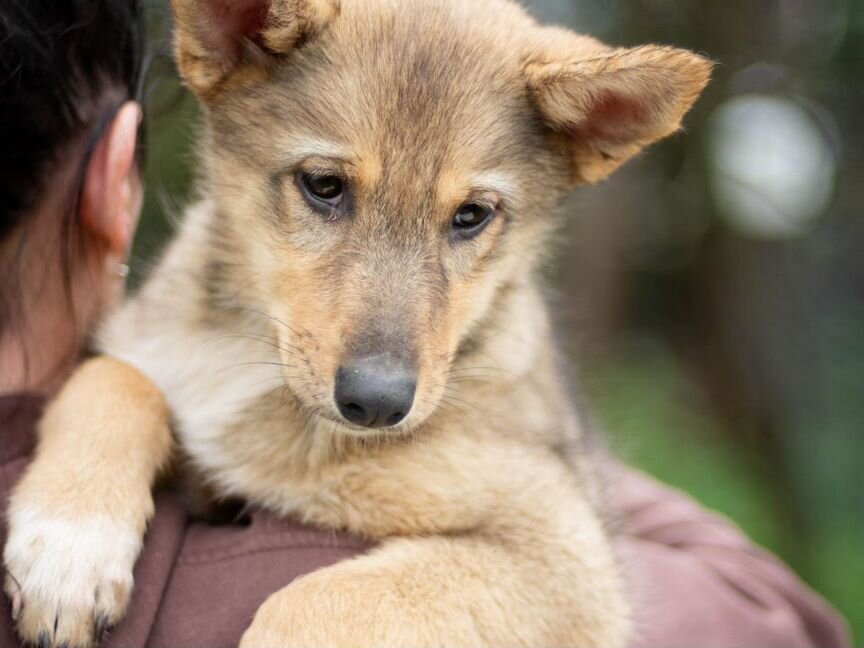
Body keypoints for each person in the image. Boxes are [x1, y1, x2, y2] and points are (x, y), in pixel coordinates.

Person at [0, 1, 850, 647]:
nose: (381, 373)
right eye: (324, 188)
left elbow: (561, 579)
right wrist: (94, 455)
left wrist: (314, 623)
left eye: (470, 217)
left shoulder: (482, 396)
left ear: (590, 134)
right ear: (237, 39)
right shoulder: (164, 319)